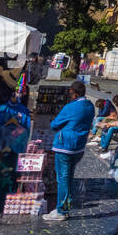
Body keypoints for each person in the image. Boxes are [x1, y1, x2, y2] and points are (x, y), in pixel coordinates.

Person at [44, 80, 94, 221]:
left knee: (62, 179)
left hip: (65, 146)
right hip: (79, 147)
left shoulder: (70, 107)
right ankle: (65, 205)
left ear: (75, 94)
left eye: (71, 93)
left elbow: (54, 125)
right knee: (69, 178)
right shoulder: (90, 106)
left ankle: (61, 210)